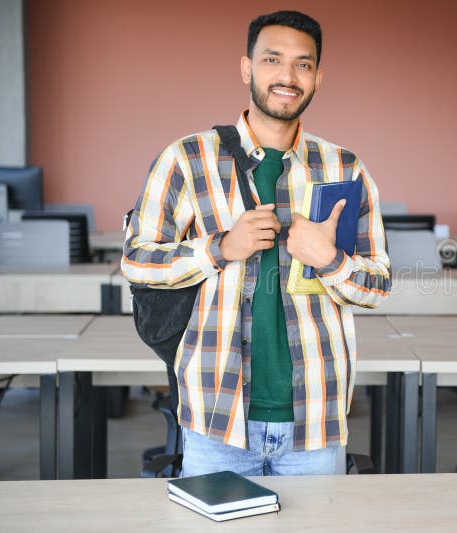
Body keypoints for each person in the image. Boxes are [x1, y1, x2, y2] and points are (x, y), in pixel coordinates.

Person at [122, 10, 390, 477]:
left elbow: (377, 285)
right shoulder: (187, 160)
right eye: (272, 60)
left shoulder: (345, 168)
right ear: (247, 68)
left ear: (318, 78)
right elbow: (136, 261)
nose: (287, 76)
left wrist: (329, 260)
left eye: (303, 65)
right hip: (216, 417)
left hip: (315, 419)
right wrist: (221, 246)